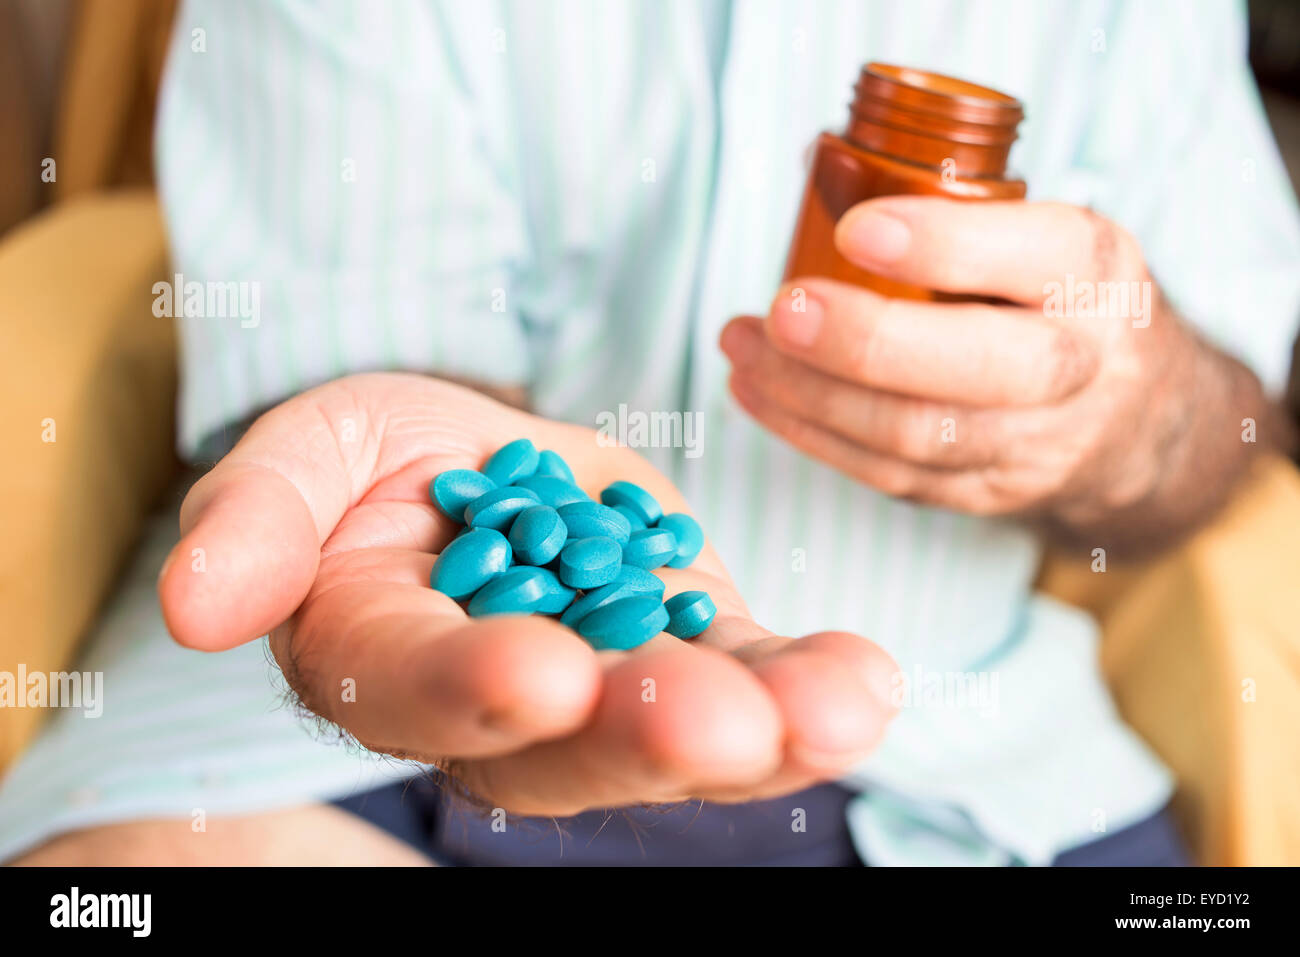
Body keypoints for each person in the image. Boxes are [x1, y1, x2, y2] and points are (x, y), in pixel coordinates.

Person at [3, 0, 1296, 866]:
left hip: (974, 770)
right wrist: (410, 473)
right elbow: (362, 336)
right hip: (313, 740)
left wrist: (1140, 414)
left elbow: (1230, 414)